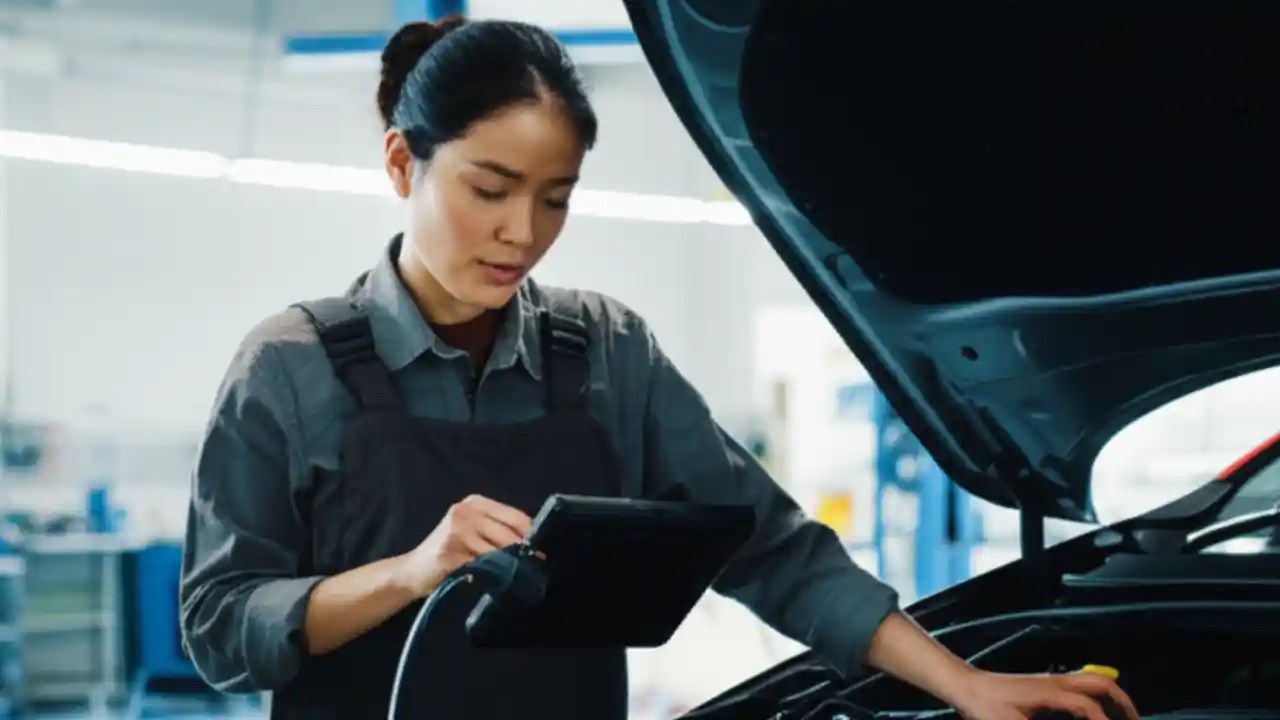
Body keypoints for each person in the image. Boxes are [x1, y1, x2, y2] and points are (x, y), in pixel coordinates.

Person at [178, 16, 1140, 720]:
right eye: (490, 189)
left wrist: (963, 683)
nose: (523, 233)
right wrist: (411, 572)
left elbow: (770, 549)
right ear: (402, 164)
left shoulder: (605, 353)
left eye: (555, 199)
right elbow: (220, 627)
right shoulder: (291, 368)